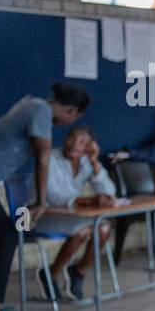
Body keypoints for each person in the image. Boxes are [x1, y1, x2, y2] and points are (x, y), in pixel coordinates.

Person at [0, 81, 90, 311]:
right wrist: (40, 201)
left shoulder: (29, 103)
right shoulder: (40, 111)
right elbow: (43, 156)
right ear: (72, 112)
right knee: (6, 237)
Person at [33, 125, 119, 301]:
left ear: (89, 146)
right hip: (46, 215)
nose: (74, 144)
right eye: (71, 138)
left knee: (103, 227)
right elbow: (52, 196)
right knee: (84, 229)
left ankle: (78, 271)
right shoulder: (51, 158)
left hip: (72, 217)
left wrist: (95, 162)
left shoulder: (86, 162)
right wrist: (88, 201)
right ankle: (50, 273)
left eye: (82, 141)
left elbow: (110, 191)